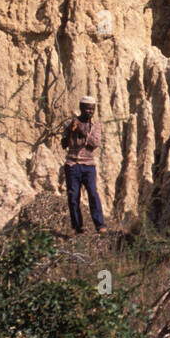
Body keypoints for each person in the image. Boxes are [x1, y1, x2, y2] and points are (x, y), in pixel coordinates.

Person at [61, 95, 107, 235]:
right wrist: (70, 131)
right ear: (81, 108)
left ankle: (100, 225)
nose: (90, 111)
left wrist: (81, 131)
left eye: (92, 109)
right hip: (72, 164)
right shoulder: (69, 124)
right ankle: (77, 227)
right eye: (87, 108)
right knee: (73, 196)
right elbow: (64, 144)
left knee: (93, 194)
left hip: (88, 165)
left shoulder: (96, 125)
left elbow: (94, 143)